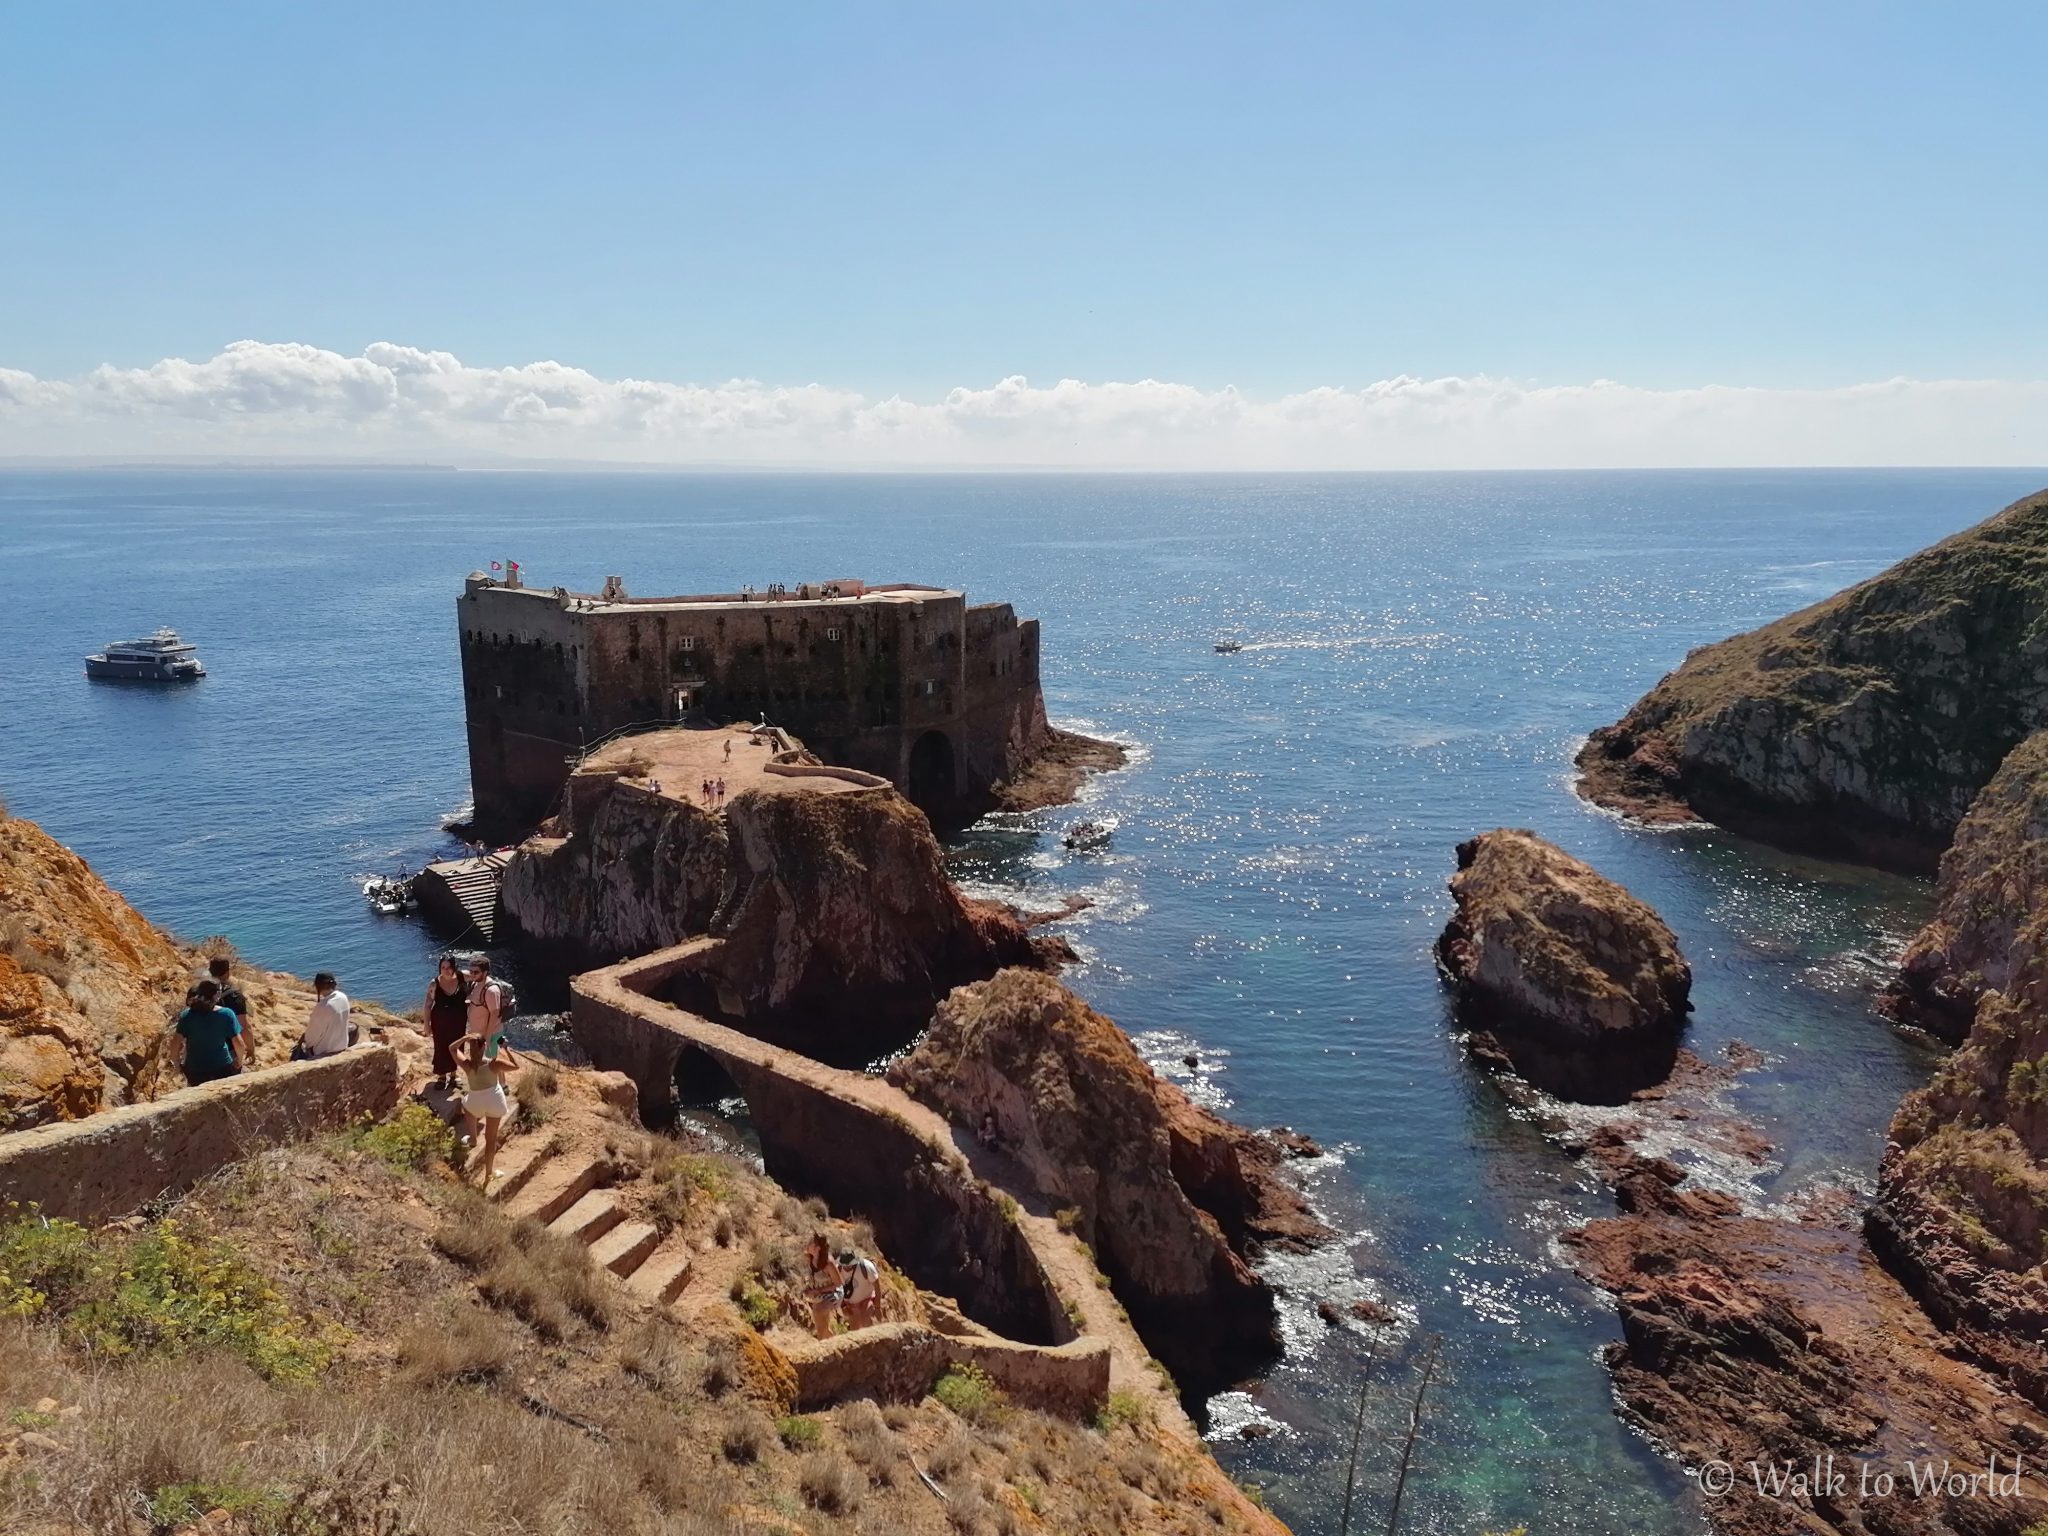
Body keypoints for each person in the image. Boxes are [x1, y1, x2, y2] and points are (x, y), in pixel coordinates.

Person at [451, 1030, 521, 1187]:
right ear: (484, 1047)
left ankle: (473, 1138)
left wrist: (463, 1038)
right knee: (491, 1140)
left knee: (467, 1106)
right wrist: (506, 1049)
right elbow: (516, 1067)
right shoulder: (494, 1064)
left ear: (471, 1048)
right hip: (495, 1102)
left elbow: (452, 1048)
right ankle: (489, 1174)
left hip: (476, 1103)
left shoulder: (467, 1064)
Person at [172, 979, 246, 1087]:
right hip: (222, 1068)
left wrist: (177, 1064)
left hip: (195, 1071)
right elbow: (239, 1044)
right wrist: (239, 1060)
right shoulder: (226, 1014)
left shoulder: (187, 1015)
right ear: (217, 994)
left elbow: (175, 1045)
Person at [424, 956, 468, 1090]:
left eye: (449, 967)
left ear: (454, 967)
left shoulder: (463, 977)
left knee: (457, 1046)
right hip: (440, 1022)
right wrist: (427, 1024)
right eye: (443, 967)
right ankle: (441, 1077)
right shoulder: (434, 984)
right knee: (441, 1047)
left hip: (459, 1021)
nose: (446, 970)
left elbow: (480, 978)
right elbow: (427, 1005)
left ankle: (454, 1075)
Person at [801, 1233, 846, 1339]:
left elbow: (838, 1283)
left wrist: (819, 1290)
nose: (809, 1244)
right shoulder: (810, 1258)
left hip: (833, 1292)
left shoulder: (828, 1263)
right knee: (822, 1327)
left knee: (818, 1312)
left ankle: (822, 1345)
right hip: (819, 1293)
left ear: (818, 1248)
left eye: (812, 1243)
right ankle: (836, 1343)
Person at [298, 972, 351, 1059]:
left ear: (318, 986)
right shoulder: (343, 997)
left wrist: (306, 1043)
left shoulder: (324, 1006)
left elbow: (312, 1037)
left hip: (324, 1050)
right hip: (342, 1045)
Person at [838, 1248, 882, 1330]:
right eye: (845, 1265)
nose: (847, 1267)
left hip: (867, 1299)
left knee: (867, 1324)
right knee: (855, 1331)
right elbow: (836, 1288)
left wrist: (877, 1307)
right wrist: (842, 1305)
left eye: (849, 1265)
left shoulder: (866, 1267)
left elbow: (877, 1287)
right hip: (851, 1305)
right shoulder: (838, 1270)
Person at [207, 956, 250, 1036]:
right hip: (224, 1046)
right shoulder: (235, 996)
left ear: (210, 971)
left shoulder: (197, 991)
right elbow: (243, 1027)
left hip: (198, 1044)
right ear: (227, 973)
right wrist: (251, 1048)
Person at [465, 956, 504, 1039]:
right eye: (471, 971)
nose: (472, 974)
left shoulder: (491, 991)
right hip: (476, 1034)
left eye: (476, 972)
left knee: (489, 1052)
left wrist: (488, 1037)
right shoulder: (475, 983)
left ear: (485, 972)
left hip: (490, 1036)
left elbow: (495, 1014)